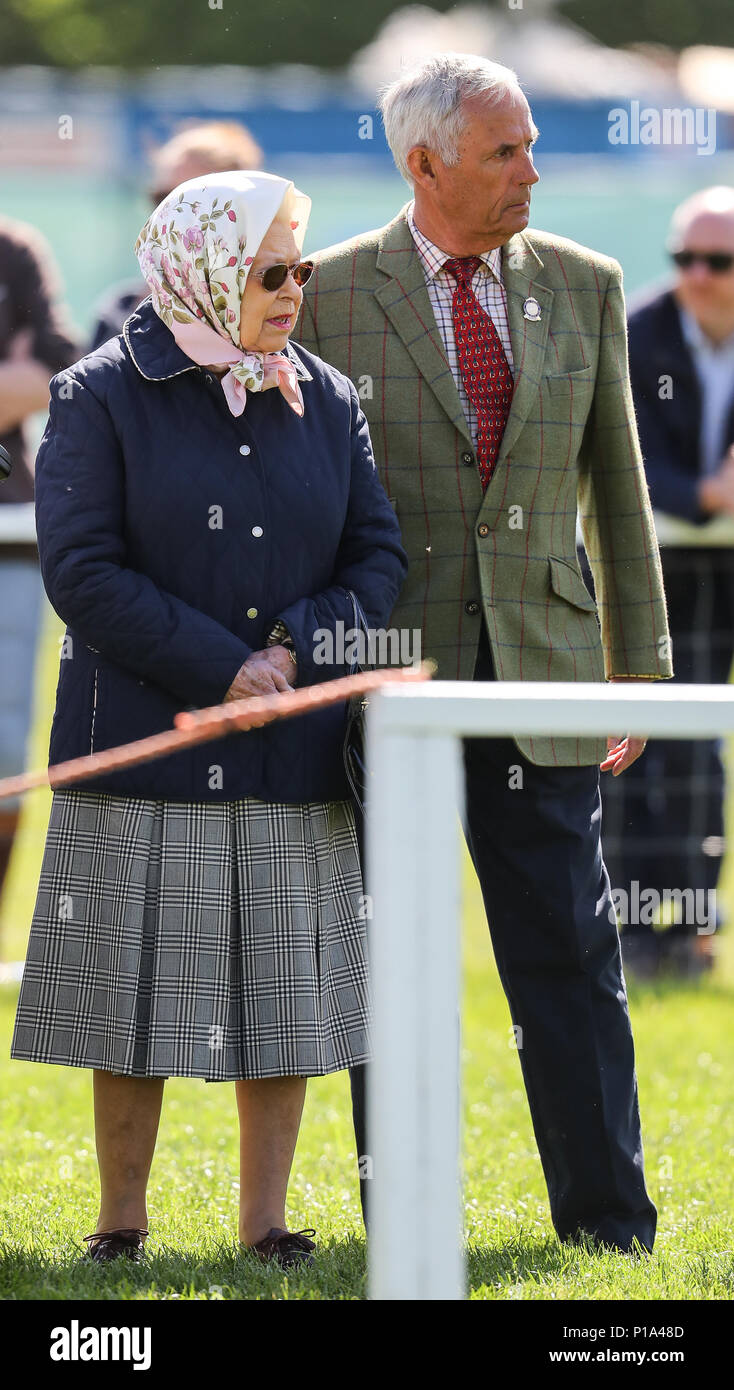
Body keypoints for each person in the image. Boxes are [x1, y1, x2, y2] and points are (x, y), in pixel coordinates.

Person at [294, 53, 672, 1254]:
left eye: (527, 147)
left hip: (542, 674)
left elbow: (618, 485)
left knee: (569, 955)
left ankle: (608, 1228)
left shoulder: (583, 281)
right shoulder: (327, 291)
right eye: (503, 151)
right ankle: (399, 1216)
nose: (530, 170)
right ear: (424, 163)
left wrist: (638, 669)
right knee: (387, 966)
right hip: (385, 682)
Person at [11, 170, 406, 1268]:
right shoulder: (97, 394)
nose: (292, 290)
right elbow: (81, 569)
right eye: (270, 271)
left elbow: (377, 552)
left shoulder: (324, 394)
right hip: (142, 747)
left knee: (278, 998)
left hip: (290, 746)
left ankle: (265, 1227)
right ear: (203, 268)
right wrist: (222, 665)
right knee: (128, 1008)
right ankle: (119, 1226)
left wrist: (293, 646)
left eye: (300, 268)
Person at [600, 187, 734, 980]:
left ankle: (694, 929)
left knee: (702, 748)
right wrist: (708, 495)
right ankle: (635, 931)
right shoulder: (636, 333)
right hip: (651, 564)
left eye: (718, 262)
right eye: (684, 258)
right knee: (637, 742)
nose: (698, 276)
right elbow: (621, 457)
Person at [0, 217, 79, 915]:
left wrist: (31, 374)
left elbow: (55, 368)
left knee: (2, 749)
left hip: (10, 534)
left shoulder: (14, 249)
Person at [88, 121, 263, 351]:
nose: (170, 215)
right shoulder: (119, 312)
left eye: (192, 202)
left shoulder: (274, 313)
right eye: (162, 199)